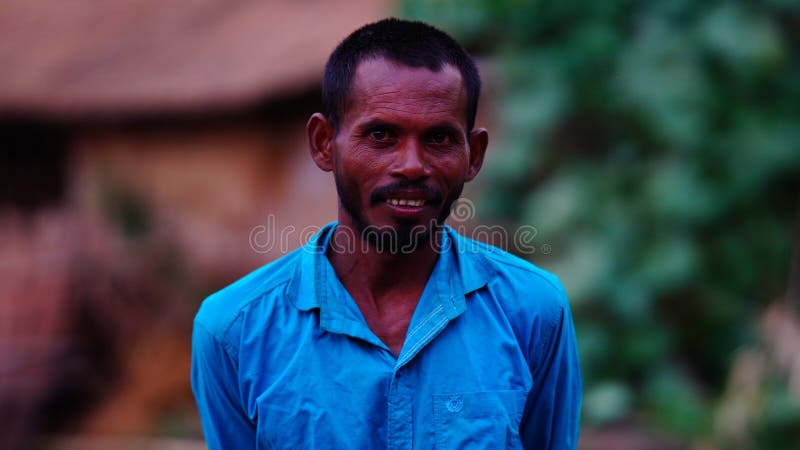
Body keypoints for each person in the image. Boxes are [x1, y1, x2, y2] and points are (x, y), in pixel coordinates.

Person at [191, 18, 581, 449]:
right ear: (324, 143)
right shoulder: (234, 331)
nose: (412, 165)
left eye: (439, 138)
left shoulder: (532, 311)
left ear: (475, 155)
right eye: (380, 135)